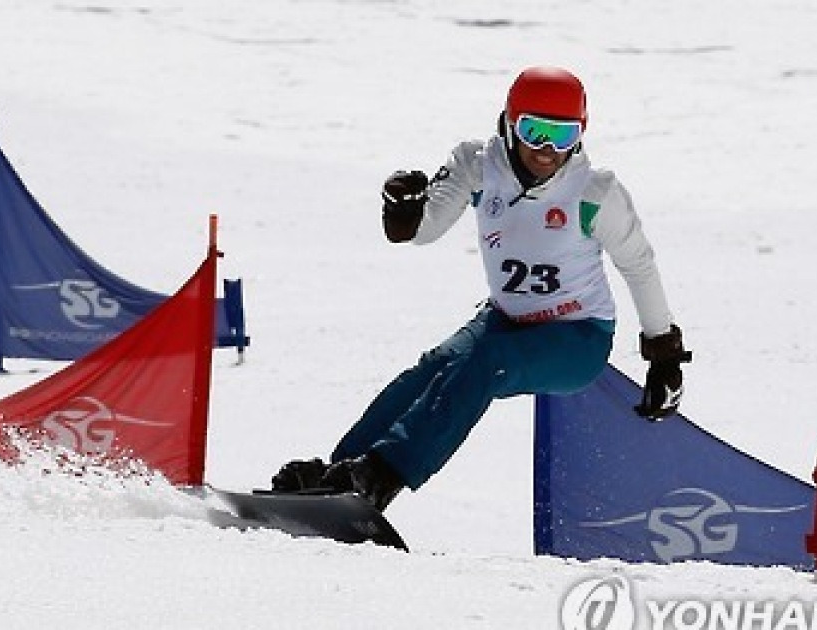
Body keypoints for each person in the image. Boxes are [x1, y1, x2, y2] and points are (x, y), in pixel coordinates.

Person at [272, 66, 691, 512]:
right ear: (510, 124)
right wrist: (404, 212)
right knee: (432, 370)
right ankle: (341, 474)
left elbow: (638, 265)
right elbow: (424, 229)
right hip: (503, 321)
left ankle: (379, 477)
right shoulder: (477, 165)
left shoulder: (594, 192)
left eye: (563, 136)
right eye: (534, 131)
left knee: (487, 364)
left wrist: (664, 357)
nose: (547, 151)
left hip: (576, 337)